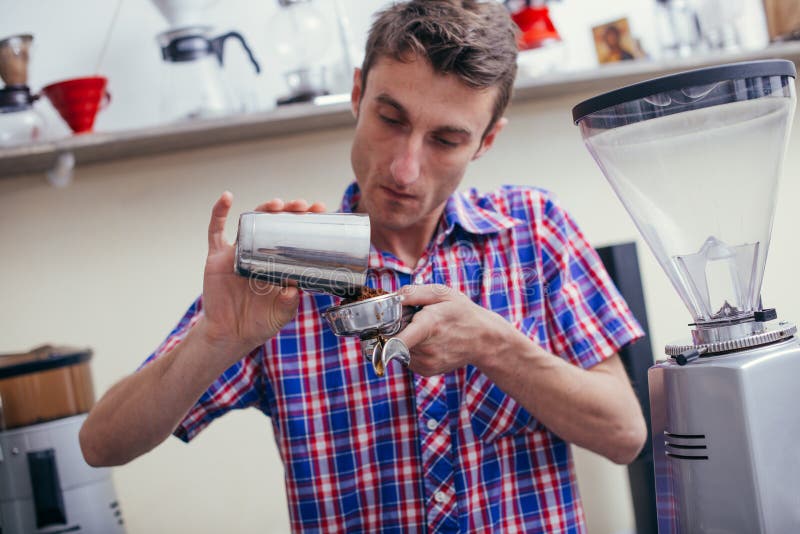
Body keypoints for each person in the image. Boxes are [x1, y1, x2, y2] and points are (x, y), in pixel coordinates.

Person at [80, 1, 647, 531]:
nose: (404, 169)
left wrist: (495, 347)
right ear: (357, 93)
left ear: (486, 141)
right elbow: (101, 445)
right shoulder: (288, 267)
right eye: (390, 118)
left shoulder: (535, 228)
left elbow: (625, 434)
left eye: (446, 140)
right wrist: (216, 338)